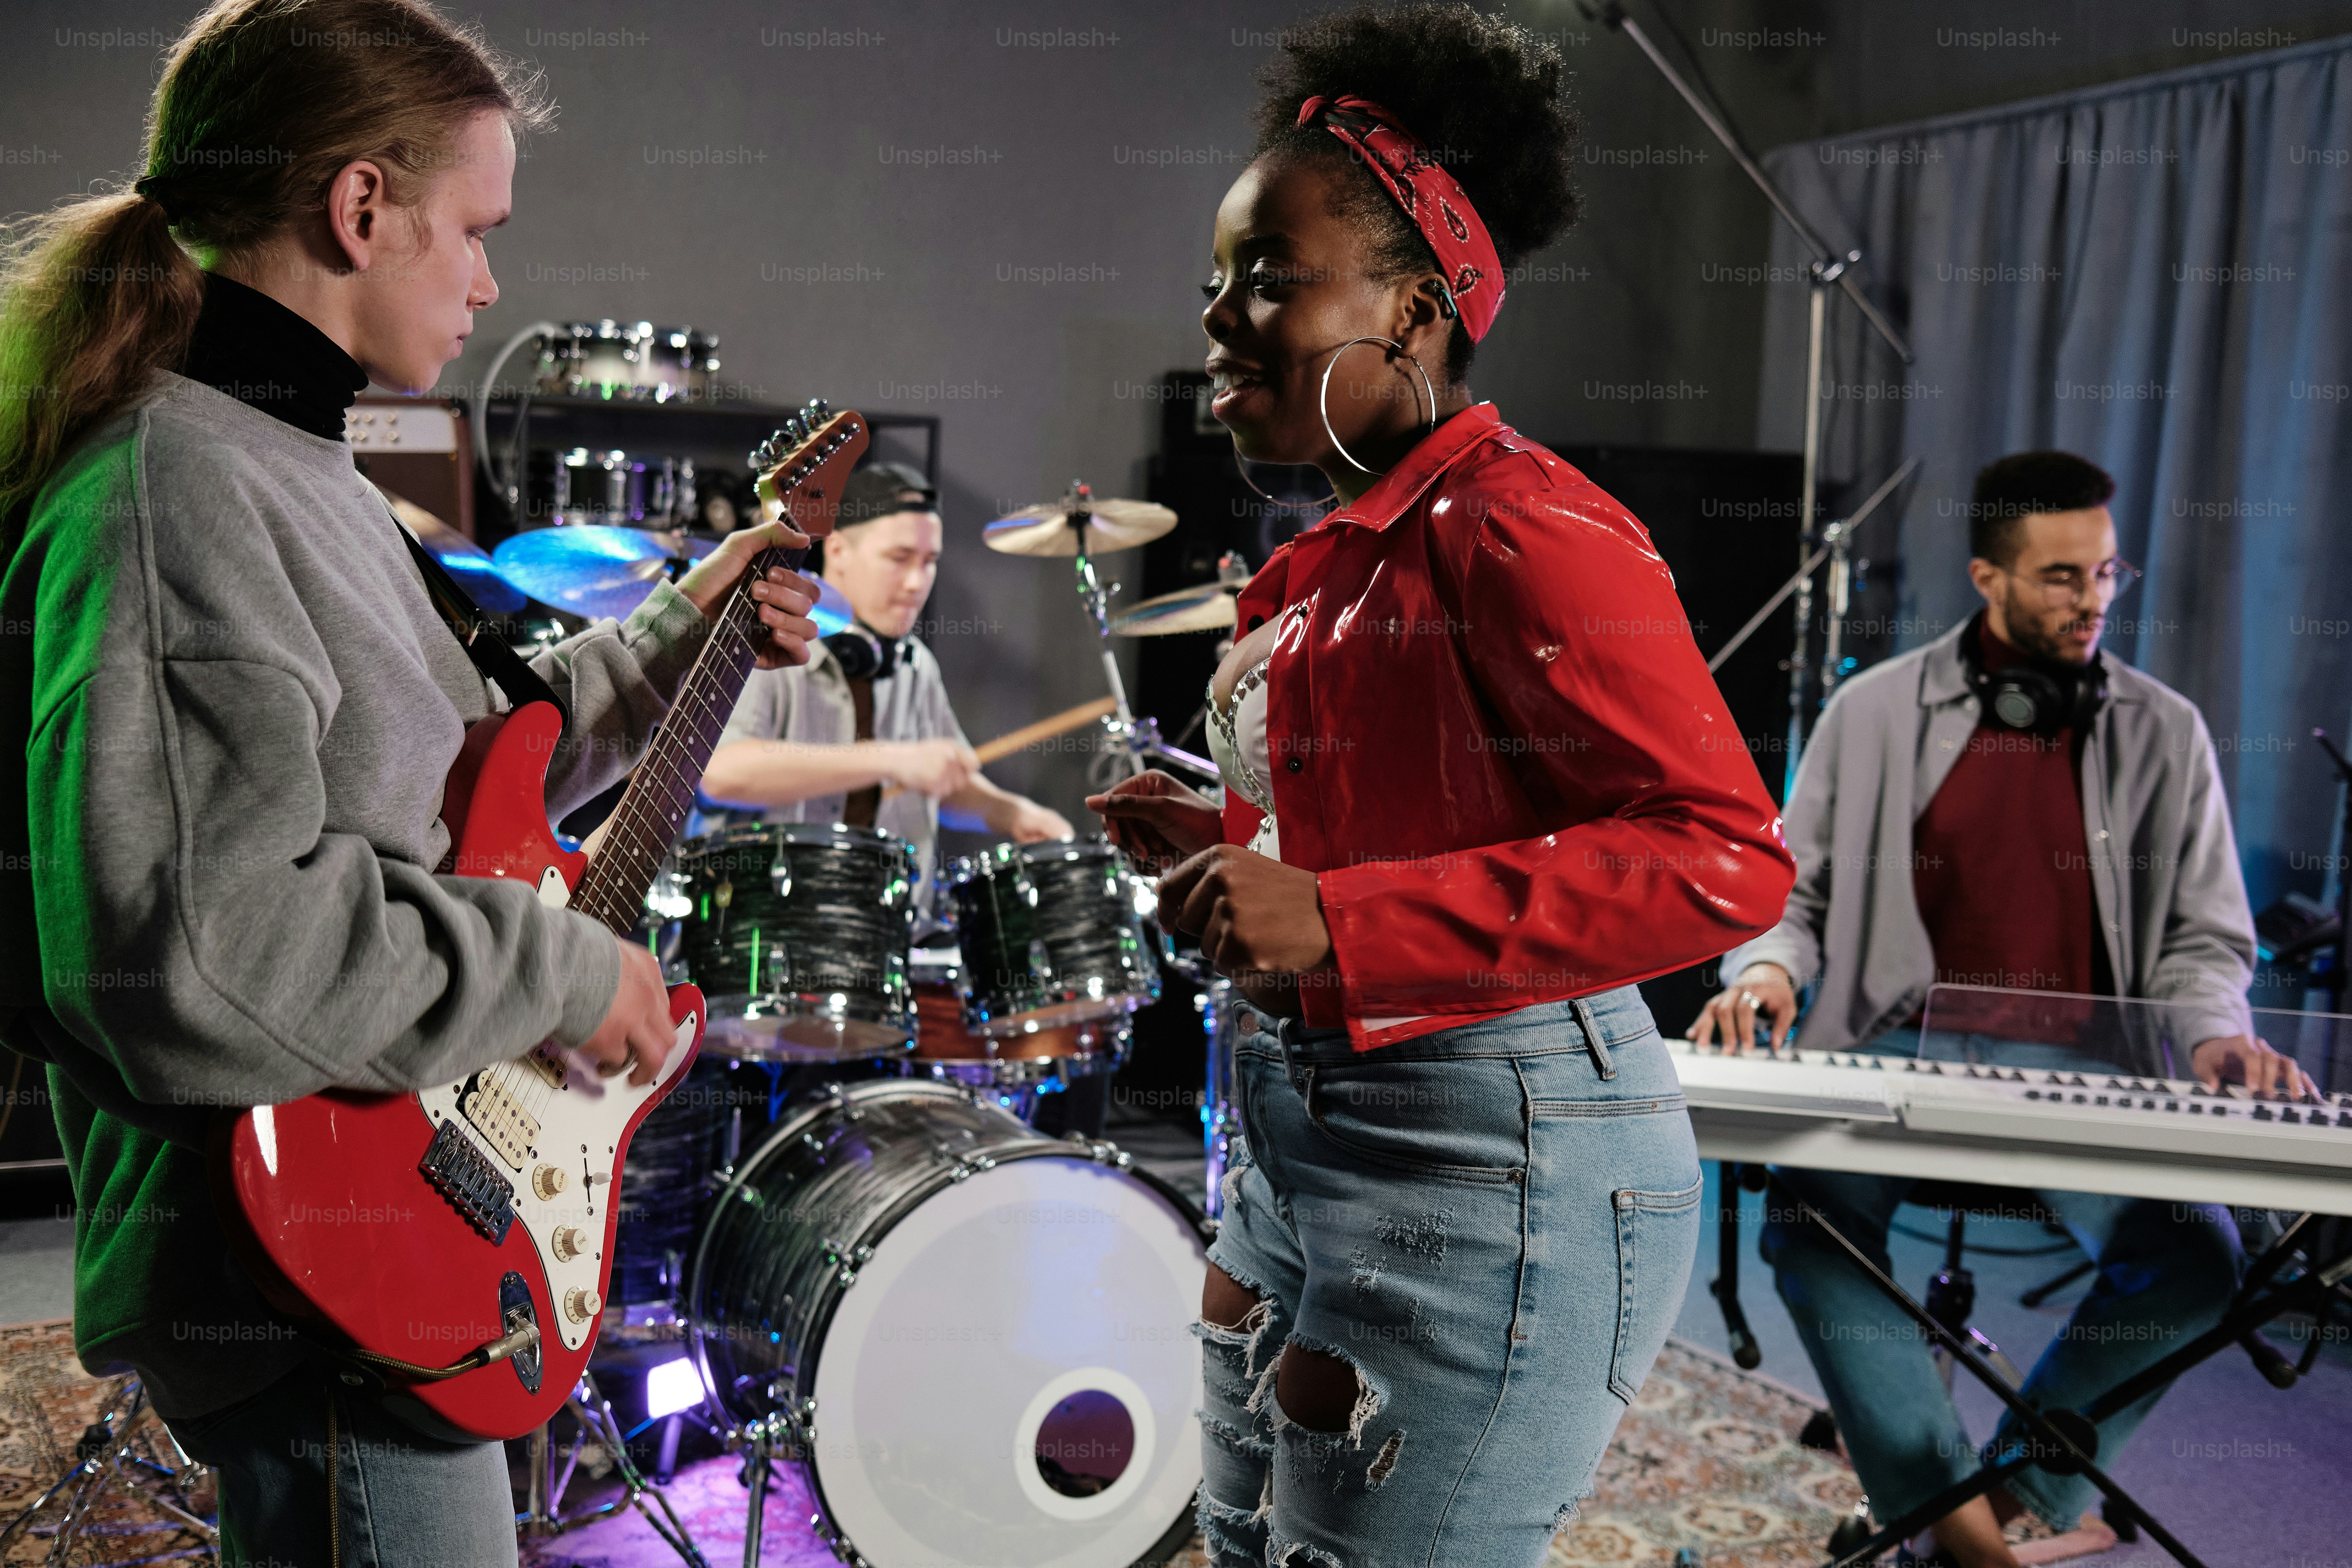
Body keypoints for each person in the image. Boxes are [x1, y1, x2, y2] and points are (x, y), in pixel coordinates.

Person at [0, 3, 821, 1563]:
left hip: (369, 1246)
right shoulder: (183, 489)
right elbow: (208, 956)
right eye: (472, 230)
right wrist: (562, 966)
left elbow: (453, 778)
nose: (491, 282)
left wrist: (679, 631)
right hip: (305, 1267)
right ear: (361, 208)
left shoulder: (282, 459)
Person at [1086, 8, 1796, 1564]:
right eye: (1217, 281)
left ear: (1412, 307)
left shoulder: (1521, 523)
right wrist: (1218, 842)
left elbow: (1724, 856)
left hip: (1500, 1155)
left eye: (1268, 279)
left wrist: (1336, 917)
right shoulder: (1343, 549)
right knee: (1241, 1532)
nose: (1217, 319)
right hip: (1306, 1133)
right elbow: (1422, 822)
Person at [1688, 450, 2309, 1568]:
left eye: (2108, 573)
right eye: (2063, 576)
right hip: (1895, 1047)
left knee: (2200, 1260)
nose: (2095, 599)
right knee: (1809, 1231)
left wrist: (2219, 1031)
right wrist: (1767, 973)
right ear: (1988, 575)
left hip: (2091, 1062)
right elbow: (1797, 892)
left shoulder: (2165, 732)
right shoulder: (1870, 711)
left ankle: (1977, 1517)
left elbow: (2205, 938)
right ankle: (1975, 1535)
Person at [700, 459, 1073, 903]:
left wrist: (1010, 813)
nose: (917, 582)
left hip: (884, 932)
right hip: (764, 927)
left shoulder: (915, 664)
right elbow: (720, 774)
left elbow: (939, 776)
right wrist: (890, 758)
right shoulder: (771, 642)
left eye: (929, 562)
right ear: (837, 551)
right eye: (899, 559)